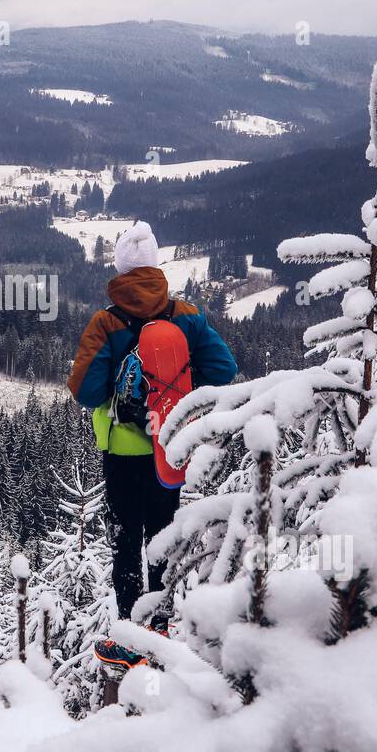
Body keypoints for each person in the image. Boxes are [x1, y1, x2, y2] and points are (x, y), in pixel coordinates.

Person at [67, 220, 237, 646]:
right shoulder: (185, 317)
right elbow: (224, 369)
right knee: (162, 536)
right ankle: (162, 625)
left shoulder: (106, 322)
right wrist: (178, 381)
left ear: (122, 268)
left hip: (122, 452)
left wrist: (119, 384)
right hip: (169, 445)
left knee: (125, 540)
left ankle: (130, 631)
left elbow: (85, 392)